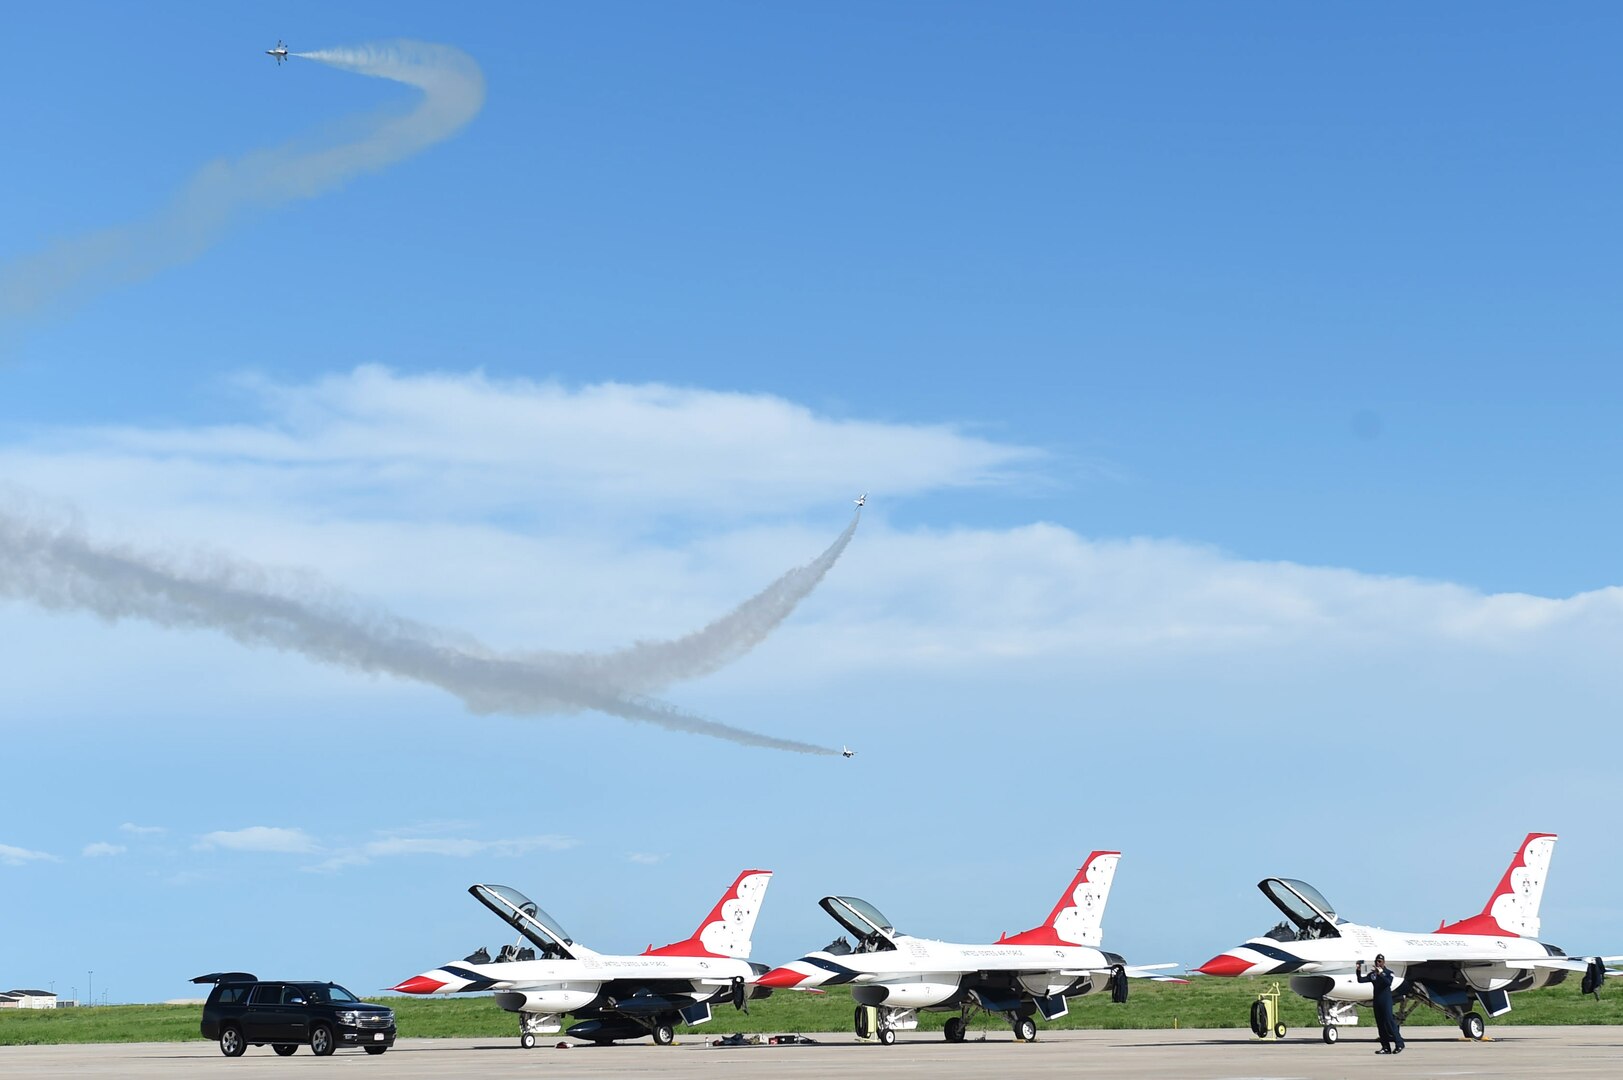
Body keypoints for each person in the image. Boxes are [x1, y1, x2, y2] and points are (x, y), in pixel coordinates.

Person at [1356, 954, 1405, 1054]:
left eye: (1380, 961)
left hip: (1386, 1001)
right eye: (1376, 961)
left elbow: (1388, 983)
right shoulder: (1373, 974)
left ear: (1383, 962)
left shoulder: (1389, 973)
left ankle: (1399, 1043)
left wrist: (1381, 974)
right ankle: (1385, 1047)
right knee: (1380, 1025)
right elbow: (1360, 980)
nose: (1378, 963)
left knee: (1389, 1022)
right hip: (1377, 1001)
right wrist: (1358, 970)